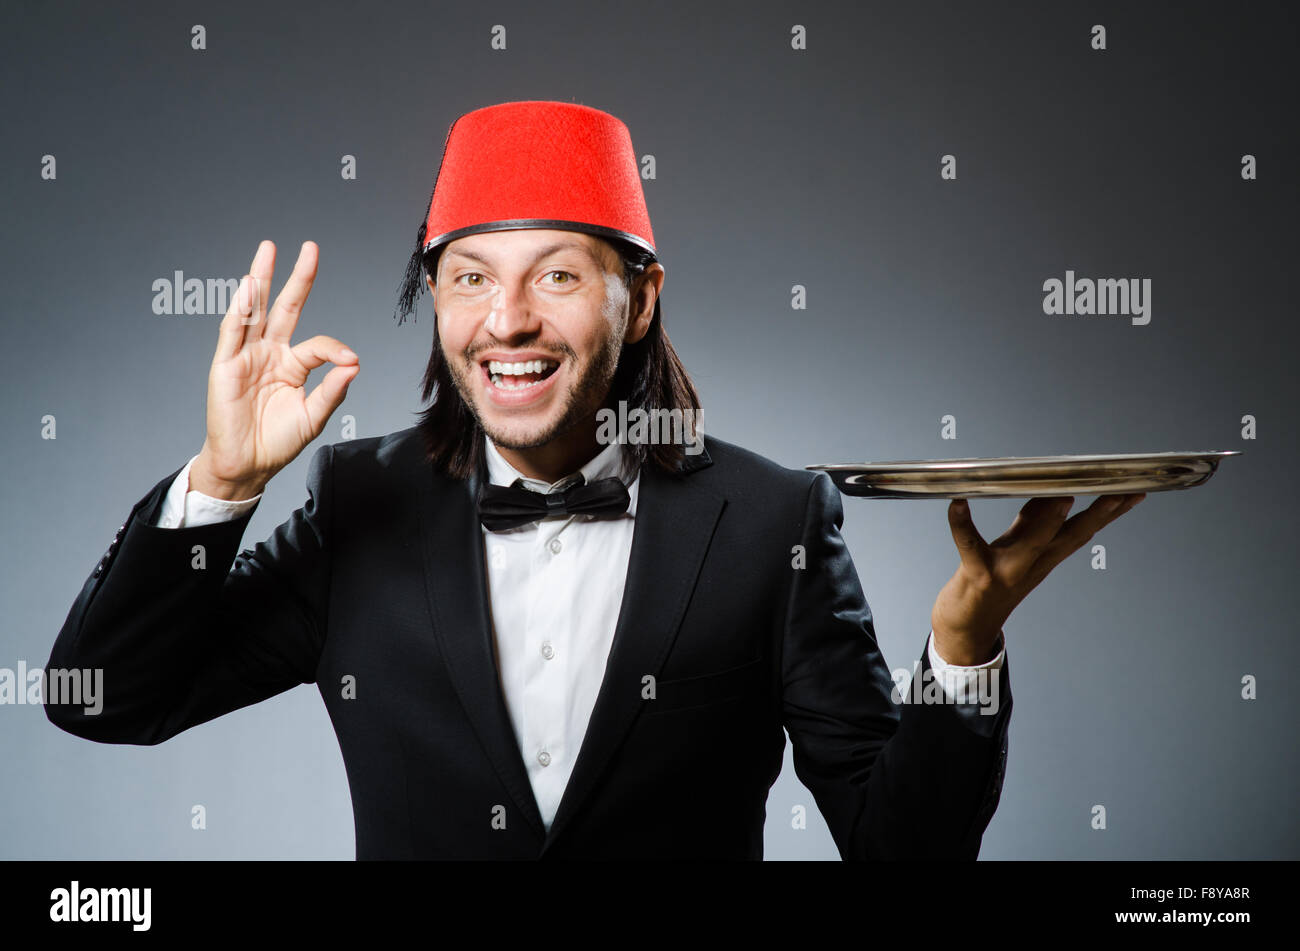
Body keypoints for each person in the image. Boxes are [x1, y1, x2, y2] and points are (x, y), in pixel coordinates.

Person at [44, 100, 1144, 859]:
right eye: (468, 277)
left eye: (558, 275)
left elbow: (903, 853)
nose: (506, 319)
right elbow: (104, 703)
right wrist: (222, 484)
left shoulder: (769, 524)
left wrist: (960, 647)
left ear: (641, 299)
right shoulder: (354, 509)